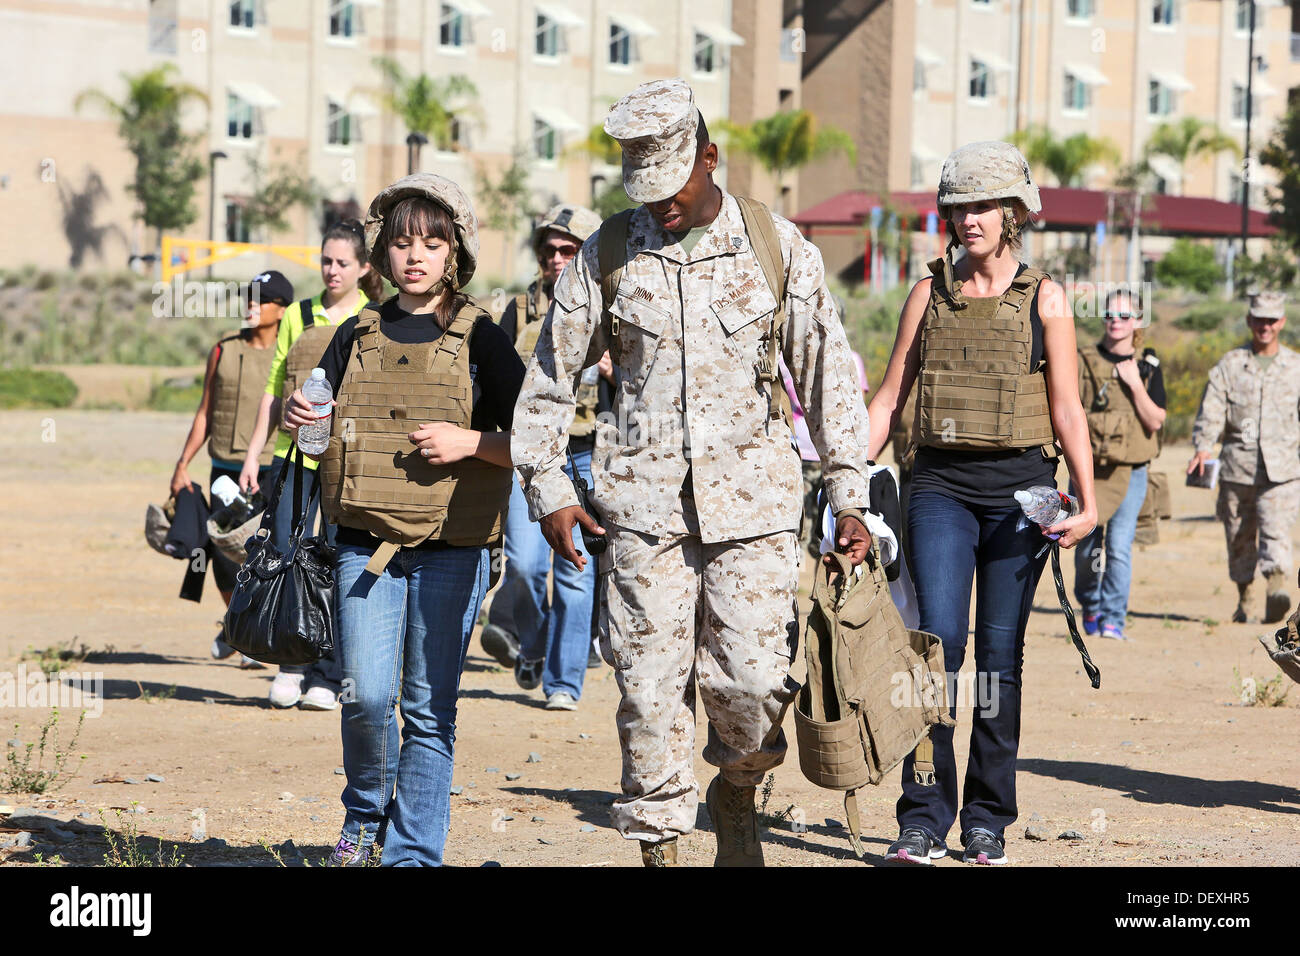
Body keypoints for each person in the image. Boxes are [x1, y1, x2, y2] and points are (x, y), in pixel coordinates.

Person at [511, 78, 878, 867]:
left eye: (673, 186)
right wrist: (550, 490)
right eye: (643, 188)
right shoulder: (608, 253)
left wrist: (850, 495)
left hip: (756, 511)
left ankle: (738, 791)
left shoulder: (778, 248)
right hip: (640, 512)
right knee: (647, 691)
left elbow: (830, 381)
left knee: (751, 684)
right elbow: (546, 382)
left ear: (710, 158)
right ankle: (661, 846)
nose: (659, 205)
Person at [864, 142, 1097, 866]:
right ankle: (923, 817)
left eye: (984, 206)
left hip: (1021, 493)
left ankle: (988, 818)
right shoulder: (927, 292)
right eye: (959, 206)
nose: (969, 219)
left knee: (998, 660)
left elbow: (1066, 407)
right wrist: (845, 476)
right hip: (938, 487)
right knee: (935, 648)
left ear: (1015, 214)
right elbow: (892, 393)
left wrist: (1086, 502)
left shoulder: (1046, 298)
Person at [284, 173, 524, 867]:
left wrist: (471, 443)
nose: (415, 256)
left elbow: (538, 437)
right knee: (364, 695)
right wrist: (303, 419)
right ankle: (364, 818)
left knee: (426, 709)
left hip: (453, 549)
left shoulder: (481, 337)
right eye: (401, 242)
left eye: (432, 243)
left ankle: (413, 852)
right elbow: (317, 435)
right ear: (380, 253)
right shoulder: (354, 335)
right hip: (364, 544)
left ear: (456, 254)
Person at [238, 219, 380, 710]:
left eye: (343, 262)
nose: (332, 270)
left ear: (364, 267)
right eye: (326, 260)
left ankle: (329, 673)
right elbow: (273, 390)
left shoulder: (374, 315)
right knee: (285, 552)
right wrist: (254, 454)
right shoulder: (297, 314)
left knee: (339, 559)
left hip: (348, 459)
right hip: (292, 456)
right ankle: (290, 666)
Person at [479, 202, 609, 711]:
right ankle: (530, 645)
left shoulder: (612, 305)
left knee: (577, 574)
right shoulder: (514, 311)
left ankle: (562, 683)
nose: (557, 258)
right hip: (528, 456)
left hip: (588, 453)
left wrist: (613, 369)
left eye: (569, 249)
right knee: (526, 566)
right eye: (549, 249)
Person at [169, 270, 294, 667]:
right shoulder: (222, 350)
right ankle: (236, 622)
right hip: (223, 468)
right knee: (223, 555)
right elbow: (205, 411)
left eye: (261, 299)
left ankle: (251, 632)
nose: (251, 306)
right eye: (249, 298)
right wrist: (182, 463)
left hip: (270, 469)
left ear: (282, 309)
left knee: (266, 554)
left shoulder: (290, 354)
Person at [1188, 291, 1300, 624]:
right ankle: (1245, 597)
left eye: (1271, 320)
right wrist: (1203, 446)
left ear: (1281, 322)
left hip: (1283, 470)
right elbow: (1212, 409)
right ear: (1250, 320)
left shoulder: (1295, 366)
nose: (1265, 326)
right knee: (1238, 535)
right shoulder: (1231, 364)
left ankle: (1276, 589)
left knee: (1276, 530)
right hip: (1238, 468)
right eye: (1259, 319)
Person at [1073, 289, 1166, 641]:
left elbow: (1155, 420)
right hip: (1089, 469)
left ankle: (1113, 618)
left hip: (1132, 470)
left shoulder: (1149, 364)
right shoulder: (1083, 359)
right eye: (1110, 315)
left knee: (1120, 547)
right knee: (1086, 549)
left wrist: (1133, 383)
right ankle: (1091, 604)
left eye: (1124, 316)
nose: (1115, 321)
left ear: (1138, 322)